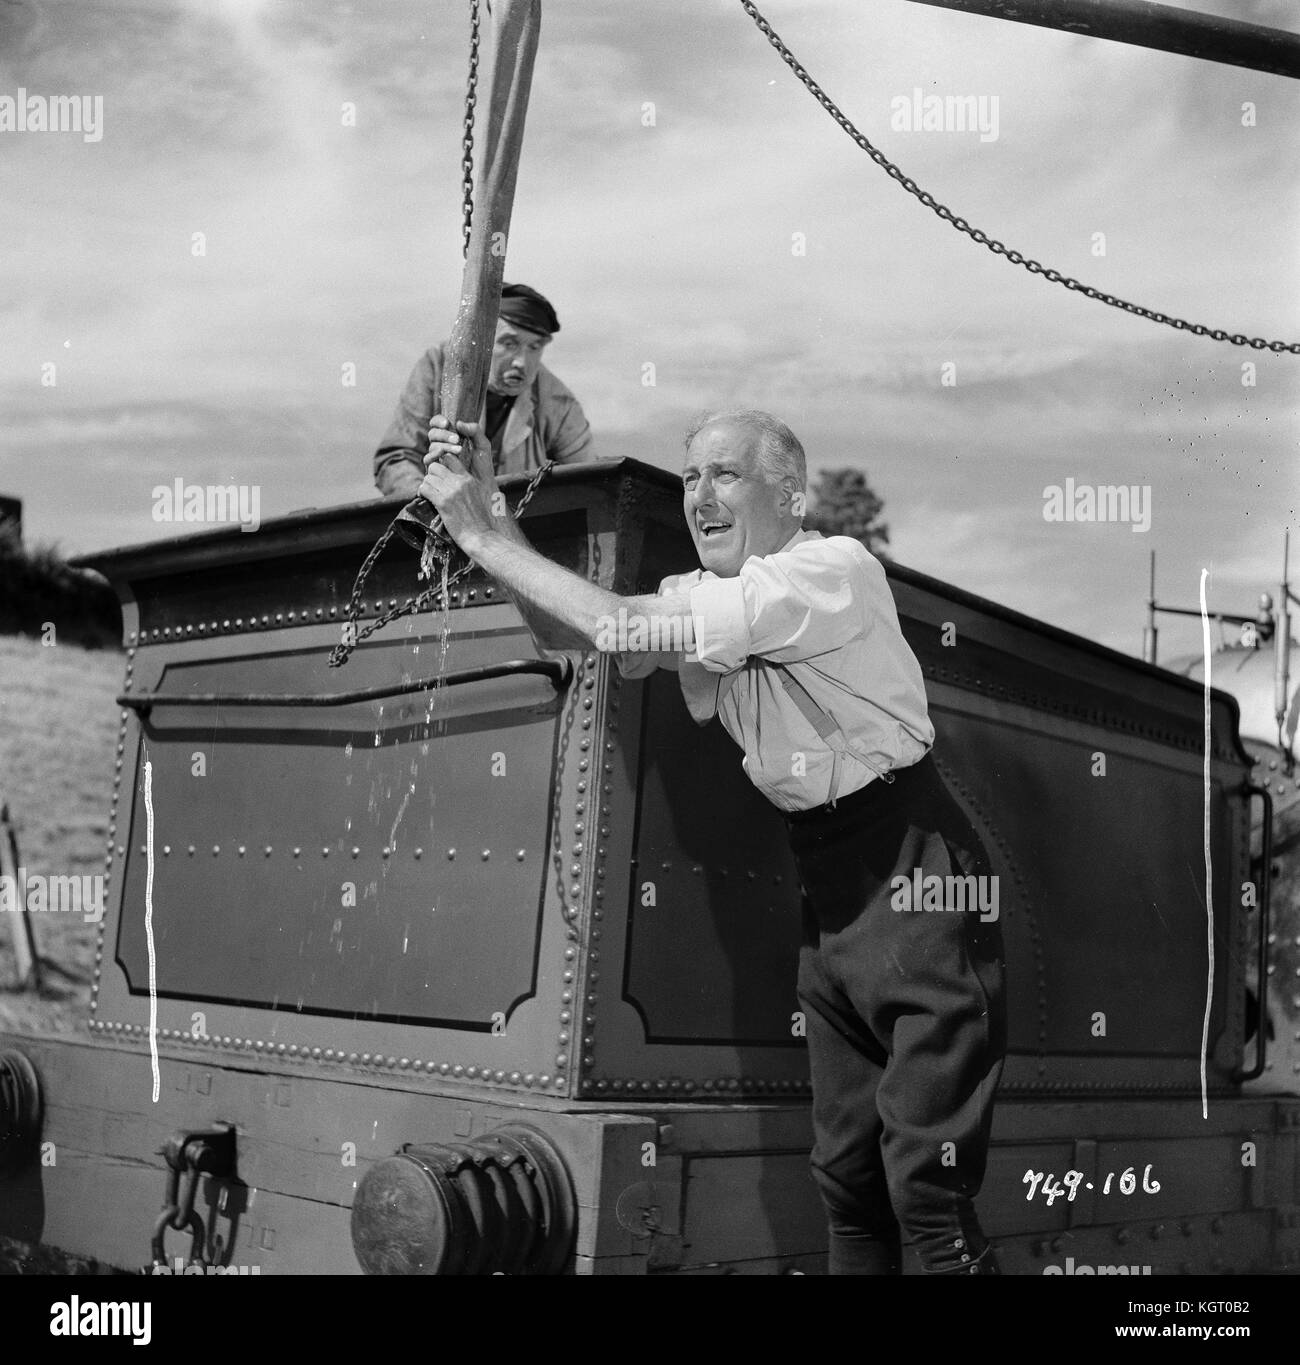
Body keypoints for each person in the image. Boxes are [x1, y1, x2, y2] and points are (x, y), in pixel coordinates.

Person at [417, 407, 1006, 1276]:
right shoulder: (704, 596)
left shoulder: (827, 572)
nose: (699, 495)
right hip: (831, 875)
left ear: (792, 494)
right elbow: (566, 629)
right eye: (690, 476)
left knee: (928, 1184)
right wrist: (490, 511)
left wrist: (479, 535)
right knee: (847, 1178)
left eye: (725, 474)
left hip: (915, 868)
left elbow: (620, 626)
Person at [372, 283, 594, 498]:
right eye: (509, 343)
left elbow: (587, 482)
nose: (521, 362)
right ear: (481, 339)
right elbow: (396, 458)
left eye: (534, 347)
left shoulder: (558, 402)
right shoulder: (439, 366)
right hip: (437, 519)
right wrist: (431, 508)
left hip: (518, 525)